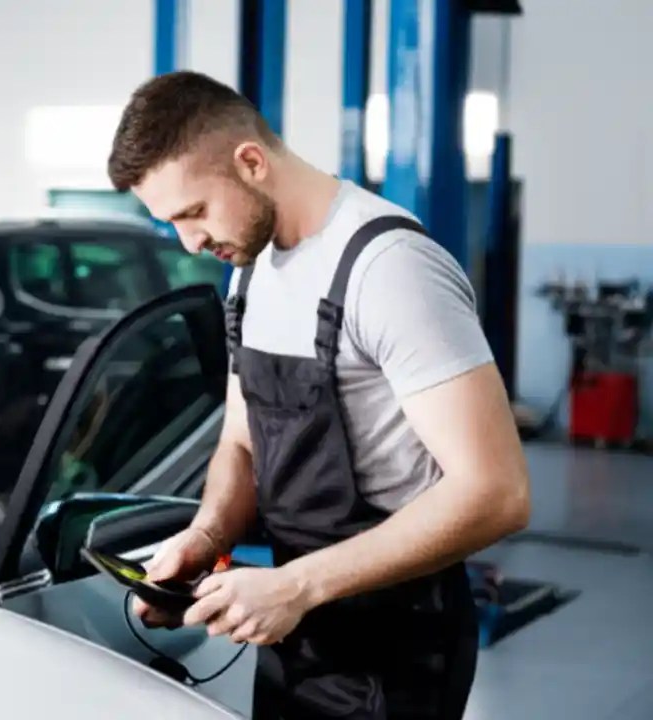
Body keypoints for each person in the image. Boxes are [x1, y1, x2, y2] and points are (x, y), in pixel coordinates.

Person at [106, 70, 531, 719]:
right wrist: (206, 533)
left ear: (250, 162)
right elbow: (241, 441)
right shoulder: (250, 273)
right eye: (172, 224)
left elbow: (496, 493)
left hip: (395, 644)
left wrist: (299, 585)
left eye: (193, 212)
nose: (192, 242)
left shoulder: (387, 268)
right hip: (295, 625)